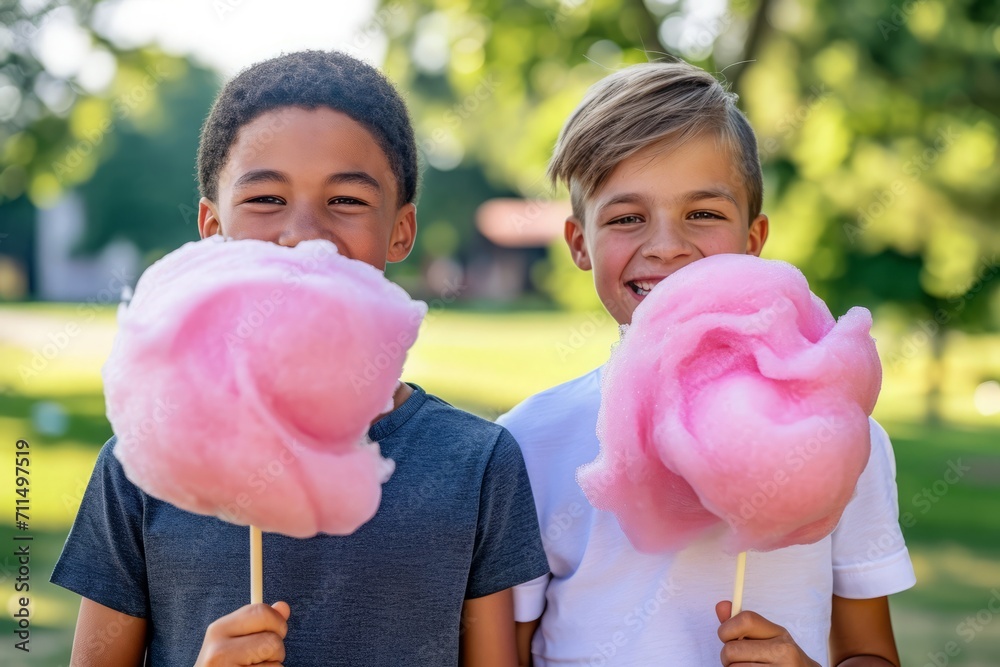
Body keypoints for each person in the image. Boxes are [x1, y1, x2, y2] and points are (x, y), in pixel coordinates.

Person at [50, 50, 548, 667]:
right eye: (265, 198)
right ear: (212, 228)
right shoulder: (140, 463)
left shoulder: (477, 463)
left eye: (346, 200)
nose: (304, 233)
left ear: (401, 230)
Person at [501, 60, 915, 667]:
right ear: (579, 242)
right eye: (626, 218)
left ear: (754, 238)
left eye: (703, 213)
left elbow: (870, 652)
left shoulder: (840, 437)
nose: (667, 245)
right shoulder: (524, 443)